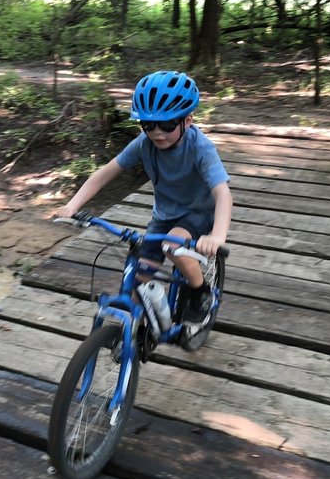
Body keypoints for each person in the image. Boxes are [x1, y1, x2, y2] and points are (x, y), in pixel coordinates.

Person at [55, 70, 233, 324]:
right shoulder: (144, 144)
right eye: (148, 125)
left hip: (199, 213)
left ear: (188, 121)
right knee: (140, 277)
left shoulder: (200, 148)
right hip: (164, 215)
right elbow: (105, 173)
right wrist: (72, 205)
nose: (157, 133)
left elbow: (223, 194)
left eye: (167, 125)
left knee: (172, 245)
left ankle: (200, 291)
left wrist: (217, 236)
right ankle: (135, 330)